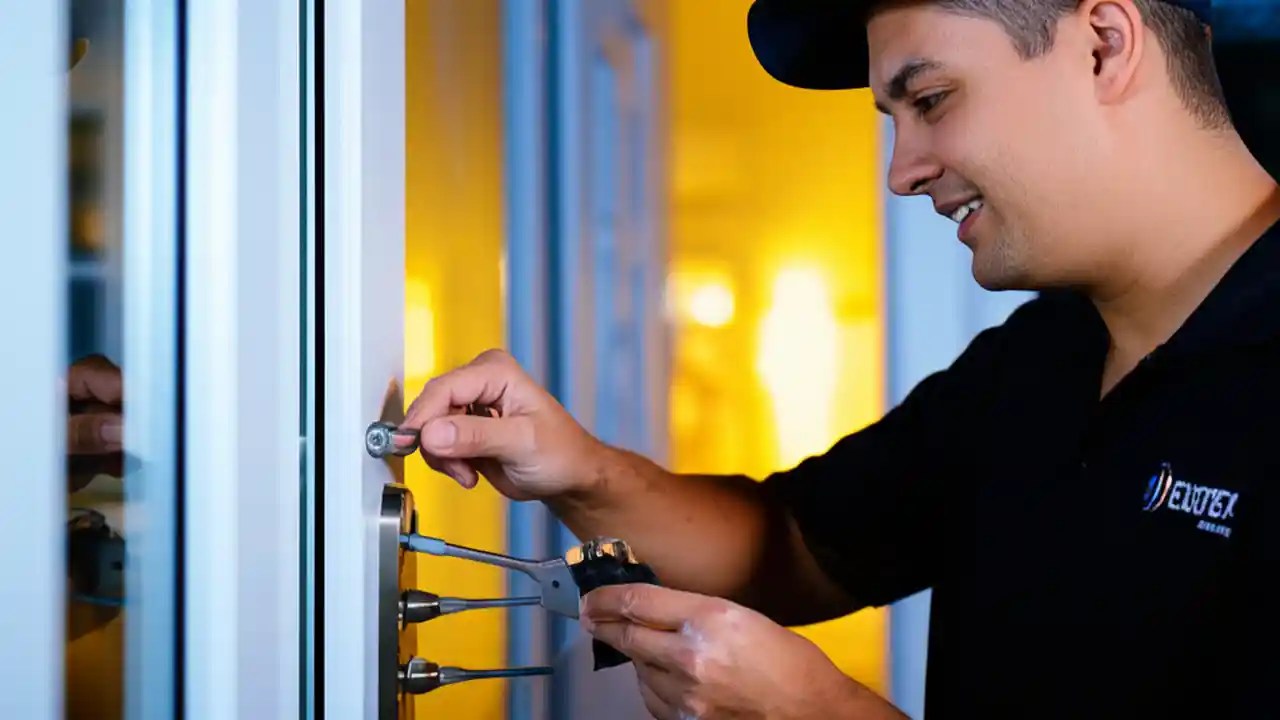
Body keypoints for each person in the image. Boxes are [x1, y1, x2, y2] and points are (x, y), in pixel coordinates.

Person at [400, 0, 1280, 716]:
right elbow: (792, 546)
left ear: (1102, 44)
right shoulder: (1041, 360)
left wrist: (816, 711)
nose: (902, 171)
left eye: (930, 99)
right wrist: (576, 468)